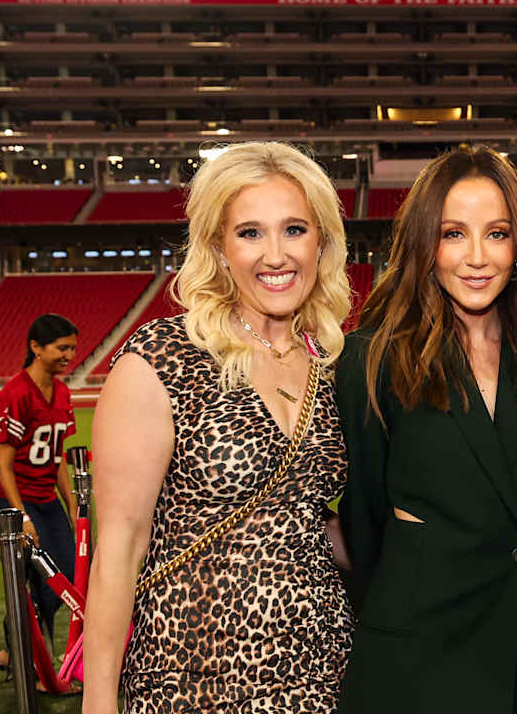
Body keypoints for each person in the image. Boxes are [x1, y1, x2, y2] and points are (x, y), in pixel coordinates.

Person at [81, 141, 353, 713]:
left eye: (295, 229)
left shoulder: (333, 362)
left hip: (323, 670)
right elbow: (119, 549)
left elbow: (308, 517)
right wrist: (98, 703)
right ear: (218, 248)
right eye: (250, 233)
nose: (275, 255)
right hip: (191, 676)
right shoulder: (161, 357)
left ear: (322, 242)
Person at [335, 143, 517, 713]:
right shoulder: (369, 360)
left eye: (497, 234)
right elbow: (363, 524)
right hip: (416, 654)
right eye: (453, 234)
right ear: (424, 245)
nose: (477, 257)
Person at [0, 313, 79, 681]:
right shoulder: (16, 392)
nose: (69, 355)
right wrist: (20, 516)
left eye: (72, 348)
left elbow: (57, 458)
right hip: (6, 496)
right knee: (34, 578)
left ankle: (18, 652)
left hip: (44, 497)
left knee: (64, 575)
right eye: (62, 348)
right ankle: (29, 659)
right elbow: (2, 463)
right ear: (36, 347)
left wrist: (73, 506)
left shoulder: (63, 392)